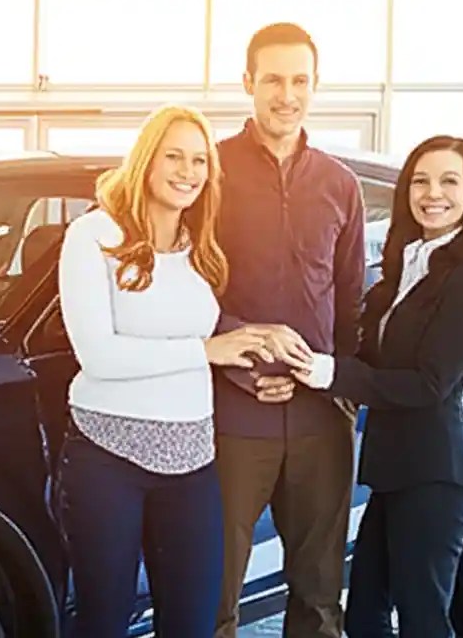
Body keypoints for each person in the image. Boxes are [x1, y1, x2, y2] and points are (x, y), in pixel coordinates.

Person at [56, 103, 304, 638]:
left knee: (193, 625)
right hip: (108, 458)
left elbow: (223, 335)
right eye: (174, 156)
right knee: (102, 624)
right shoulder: (93, 235)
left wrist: (262, 354)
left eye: (199, 161)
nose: (188, 171)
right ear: (146, 159)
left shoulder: (201, 247)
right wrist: (206, 350)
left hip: (192, 463)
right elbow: (97, 355)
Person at [293, 135, 463, 637]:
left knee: (423, 624)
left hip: (435, 479)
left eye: (450, 181)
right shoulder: (406, 264)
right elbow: (371, 360)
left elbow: (429, 384)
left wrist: (332, 373)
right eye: (421, 181)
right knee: (364, 617)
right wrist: (300, 365)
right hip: (394, 477)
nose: (433, 193)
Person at [211, 22, 366, 638]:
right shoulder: (209, 172)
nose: (286, 94)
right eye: (272, 79)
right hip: (229, 416)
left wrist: (344, 394)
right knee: (214, 592)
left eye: (299, 80)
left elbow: (351, 303)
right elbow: (186, 285)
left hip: (320, 421)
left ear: (315, 86)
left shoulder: (340, 184)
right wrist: (236, 358)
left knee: (321, 600)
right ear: (247, 83)